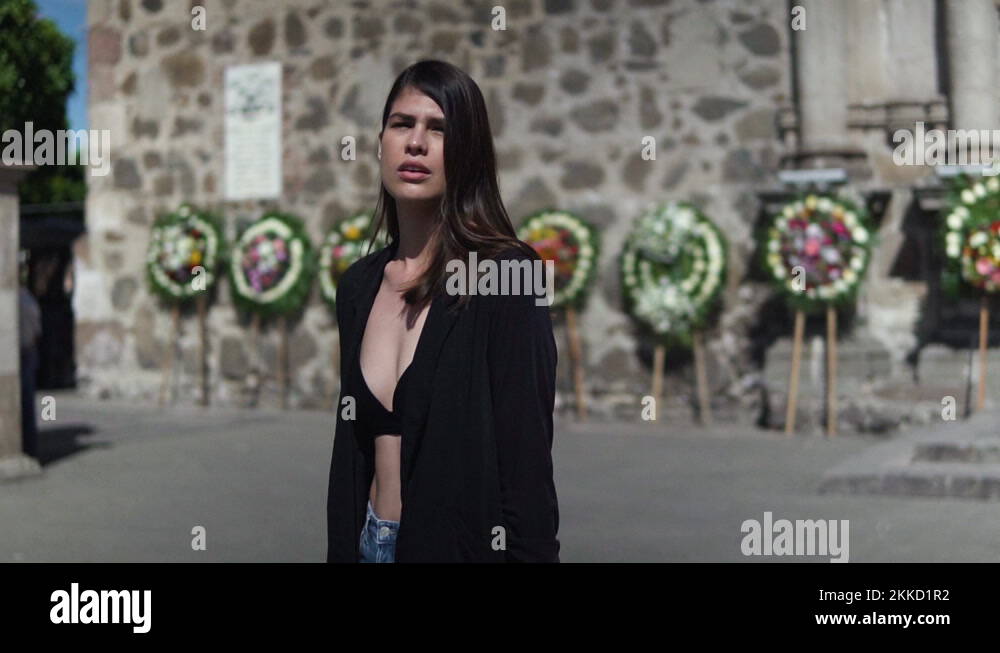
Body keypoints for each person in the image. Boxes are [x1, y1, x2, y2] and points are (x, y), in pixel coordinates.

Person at [326, 60, 560, 563]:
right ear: (381, 141)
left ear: (468, 151)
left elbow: (527, 462)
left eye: (439, 129)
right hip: (371, 543)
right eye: (401, 124)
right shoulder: (360, 285)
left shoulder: (507, 275)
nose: (416, 143)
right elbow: (350, 457)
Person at [18, 255, 42, 460]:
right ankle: (31, 445)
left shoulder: (19, 298)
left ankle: (28, 445)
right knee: (28, 402)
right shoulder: (27, 298)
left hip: (22, 351)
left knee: (26, 401)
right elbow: (36, 331)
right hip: (28, 350)